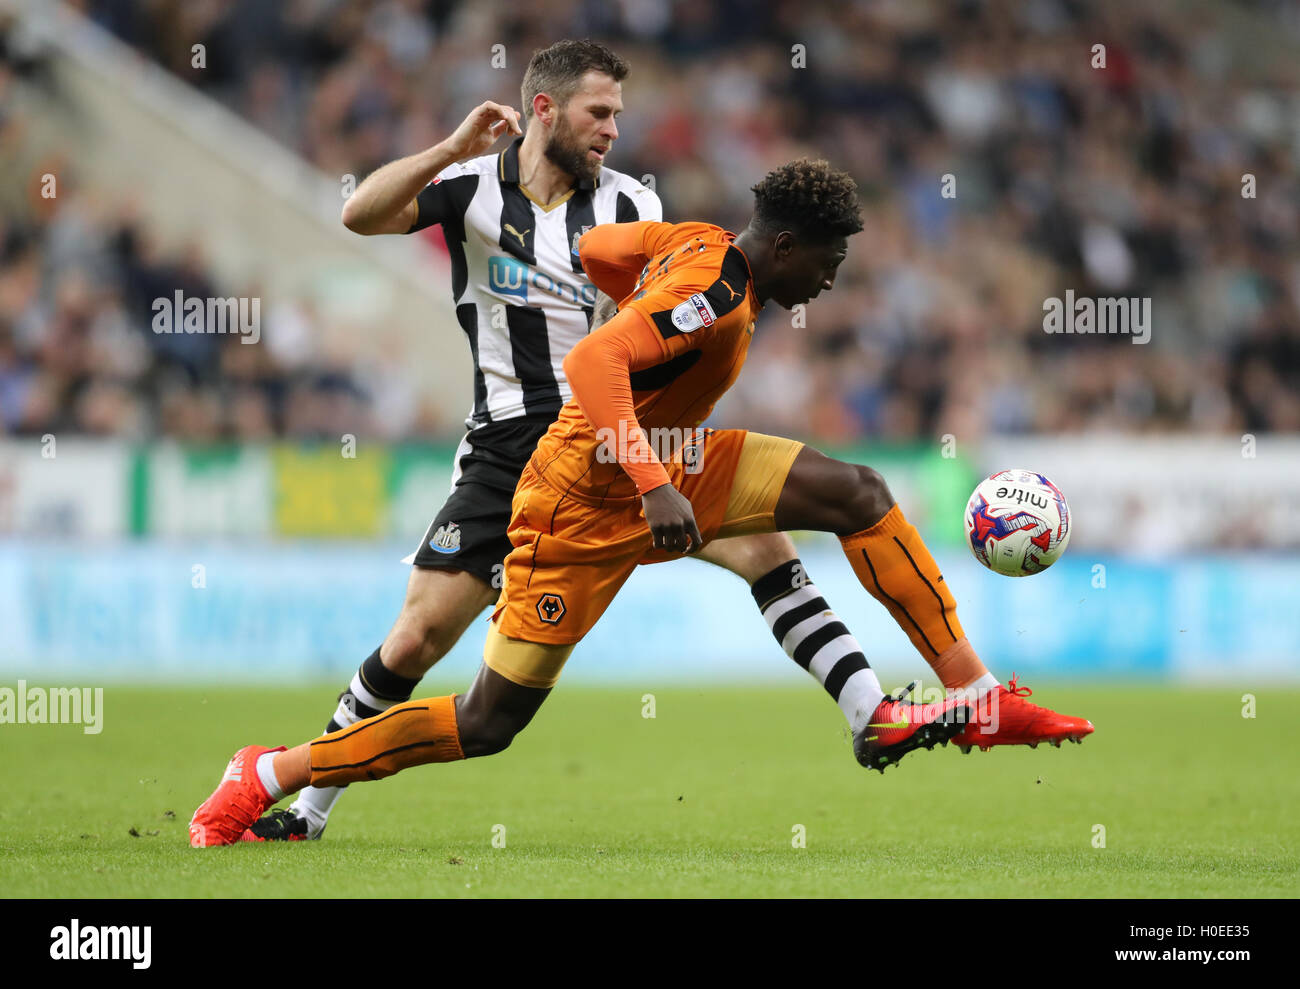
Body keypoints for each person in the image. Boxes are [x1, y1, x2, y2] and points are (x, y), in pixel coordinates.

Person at [190, 159, 1093, 848]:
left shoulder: (698, 244)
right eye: (832, 258)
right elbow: (593, 362)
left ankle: (970, 694)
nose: (833, 278)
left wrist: (643, 341)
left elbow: (597, 252)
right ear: (785, 247)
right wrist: (654, 481)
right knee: (488, 720)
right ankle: (268, 771)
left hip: (661, 456)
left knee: (856, 493)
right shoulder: (714, 293)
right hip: (580, 494)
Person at [244, 40, 899, 842]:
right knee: (417, 637)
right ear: (544, 109)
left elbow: (664, 328)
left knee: (765, 546)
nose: (613, 130)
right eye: (599, 113)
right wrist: (449, 148)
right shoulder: (471, 189)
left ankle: (870, 712)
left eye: (618, 114)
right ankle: (307, 808)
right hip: (508, 446)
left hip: (614, 439)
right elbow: (359, 214)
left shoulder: (633, 206)